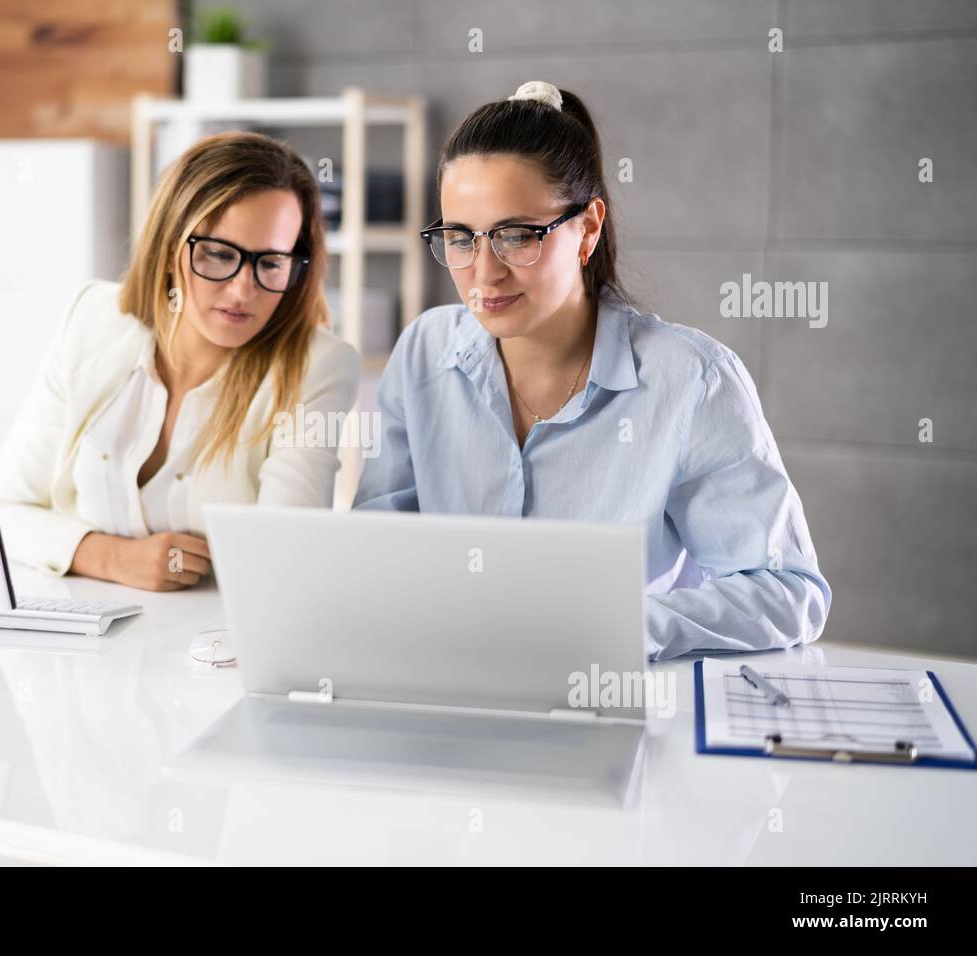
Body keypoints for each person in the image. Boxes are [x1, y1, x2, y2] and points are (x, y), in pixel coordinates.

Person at [354, 81, 830, 660]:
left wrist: (610, 630)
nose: (484, 273)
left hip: (609, 696)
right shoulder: (424, 352)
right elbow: (377, 546)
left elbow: (787, 592)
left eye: (516, 236)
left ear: (588, 227)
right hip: (447, 684)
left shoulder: (692, 382)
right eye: (460, 238)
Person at [0, 131, 360, 591]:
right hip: (83, 632)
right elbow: (4, 511)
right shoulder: (91, 320)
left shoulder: (318, 367)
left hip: (215, 646)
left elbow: (284, 560)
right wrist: (110, 558)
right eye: (219, 255)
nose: (243, 290)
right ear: (170, 248)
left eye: (270, 263)